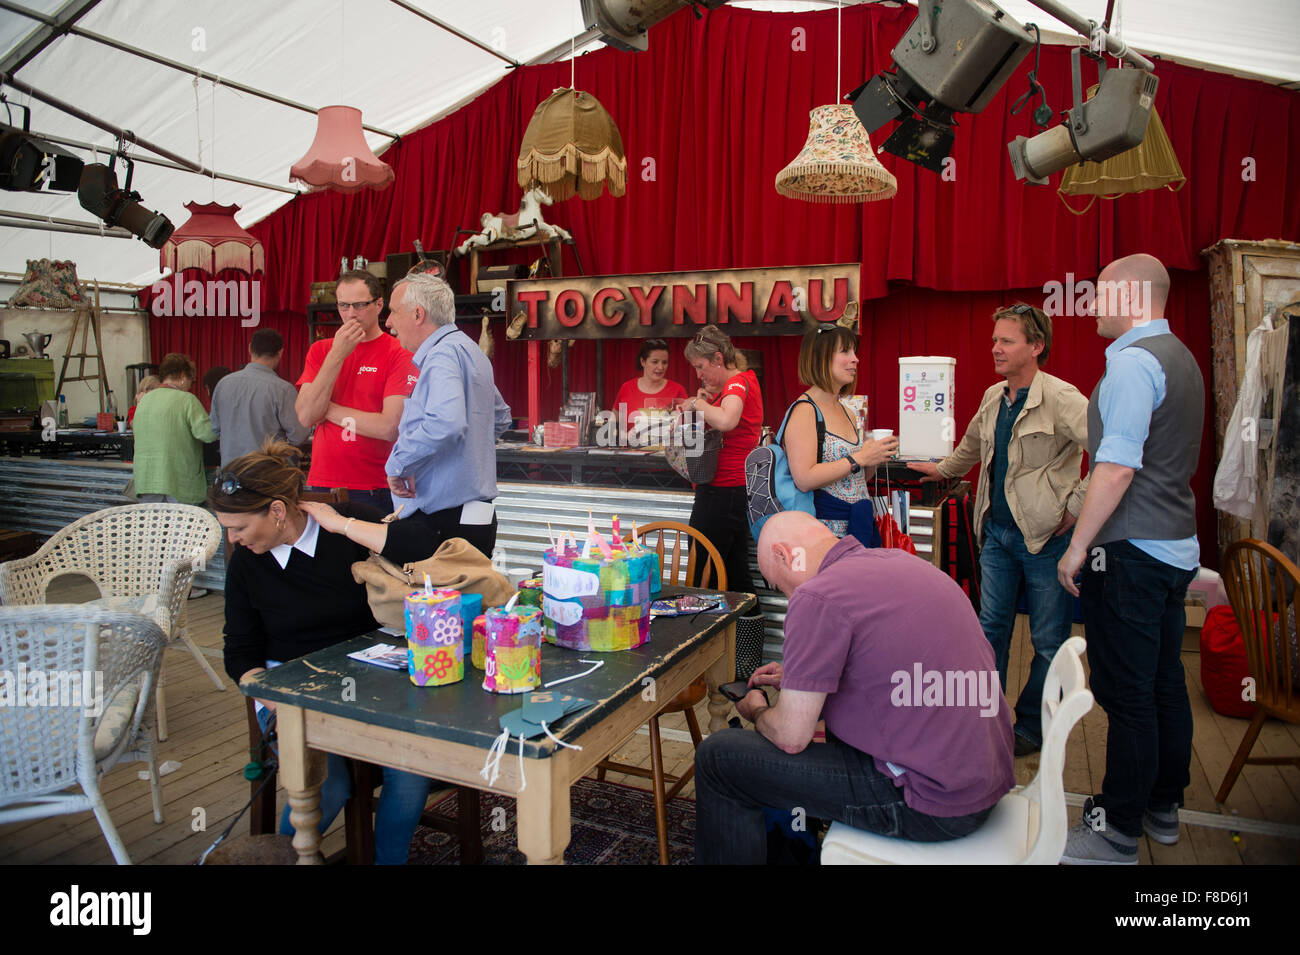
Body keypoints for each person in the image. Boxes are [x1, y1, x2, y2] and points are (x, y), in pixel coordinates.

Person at [692, 511, 1014, 864]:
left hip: (933, 806)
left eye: (776, 584)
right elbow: (886, 662)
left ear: (785, 555)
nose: (784, 594)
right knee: (826, 727)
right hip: (982, 780)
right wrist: (801, 676)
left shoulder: (817, 596)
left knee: (719, 756)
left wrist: (756, 709)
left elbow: (790, 737)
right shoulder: (895, 561)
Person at [214, 440, 432, 864]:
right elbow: (239, 649)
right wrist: (270, 696)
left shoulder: (344, 525)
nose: (232, 538)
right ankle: (285, 859)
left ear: (277, 511)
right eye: (227, 528)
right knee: (328, 782)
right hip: (288, 685)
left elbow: (423, 542)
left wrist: (345, 526)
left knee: (411, 771)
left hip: (369, 675)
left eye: (237, 527)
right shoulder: (246, 562)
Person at [1055, 254, 1203, 865]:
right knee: (1166, 682)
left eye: (1100, 293)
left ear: (1131, 295)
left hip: (1133, 554)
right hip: (1175, 548)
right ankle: (1161, 809)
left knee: (1128, 693)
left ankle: (1117, 831)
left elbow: (1116, 468)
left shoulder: (1133, 365)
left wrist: (1077, 545)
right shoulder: (1182, 359)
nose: (1091, 305)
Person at [910, 305, 1089, 757]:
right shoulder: (994, 396)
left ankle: (1033, 728)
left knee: (1048, 641)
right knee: (989, 630)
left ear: (1036, 346)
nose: (995, 348)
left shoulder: (1064, 398)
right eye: (995, 340)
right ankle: (982, 721)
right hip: (997, 537)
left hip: (1047, 541)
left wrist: (1077, 505)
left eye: (1006, 341)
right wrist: (938, 470)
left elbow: (1114, 453)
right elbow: (969, 448)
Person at [307, 272, 511, 565]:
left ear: (418, 314)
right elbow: (500, 417)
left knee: (438, 607)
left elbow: (445, 423)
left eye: (393, 312)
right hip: (474, 511)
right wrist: (466, 454)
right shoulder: (468, 349)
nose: (389, 322)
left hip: (446, 517)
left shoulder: (441, 356)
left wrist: (399, 465)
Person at [679, 326, 766, 676]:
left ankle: (709, 660)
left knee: (704, 568)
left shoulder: (738, 382)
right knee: (733, 574)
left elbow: (728, 420)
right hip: (730, 491)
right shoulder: (737, 384)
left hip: (724, 491)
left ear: (719, 358)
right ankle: (742, 663)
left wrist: (698, 403)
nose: (700, 374)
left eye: (702, 366)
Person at [295, 270, 418, 514]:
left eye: (360, 305)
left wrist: (326, 408)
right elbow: (306, 417)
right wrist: (337, 355)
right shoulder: (321, 351)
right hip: (323, 483)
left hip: (375, 486)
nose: (351, 314)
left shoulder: (399, 352)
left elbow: (388, 427)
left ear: (379, 304)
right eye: (343, 305)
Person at [783, 324, 898, 544]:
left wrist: (873, 459)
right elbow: (804, 479)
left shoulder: (848, 412)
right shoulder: (805, 411)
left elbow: (854, 480)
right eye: (845, 351)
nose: (855, 359)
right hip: (824, 537)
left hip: (859, 529)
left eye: (854, 352)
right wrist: (859, 458)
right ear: (820, 357)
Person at [210, 329, 310, 466]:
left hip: (232, 473)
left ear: (250, 348)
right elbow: (299, 436)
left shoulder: (223, 384)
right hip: (269, 474)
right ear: (280, 353)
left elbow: (215, 428)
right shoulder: (283, 390)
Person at [131, 353, 217, 505]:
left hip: (147, 479)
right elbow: (207, 434)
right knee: (181, 527)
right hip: (178, 480)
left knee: (153, 527)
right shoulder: (187, 400)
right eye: (192, 380)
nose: (191, 385)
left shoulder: (144, 401)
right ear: (183, 376)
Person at [613, 339, 686, 442]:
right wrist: (624, 436)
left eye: (664, 362)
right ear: (643, 361)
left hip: (665, 455)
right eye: (655, 362)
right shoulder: (626, 388)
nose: (660, 367)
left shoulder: (678, 390)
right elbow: (613, 423)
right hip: (631, 453)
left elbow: (686, 428)